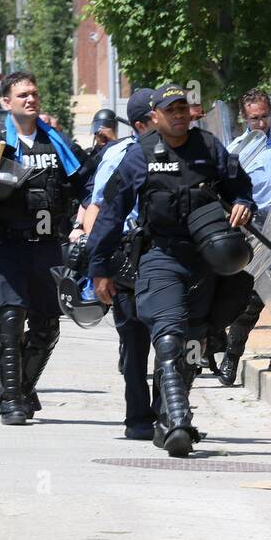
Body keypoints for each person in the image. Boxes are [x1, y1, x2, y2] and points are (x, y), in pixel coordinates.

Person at [88, 82, 256, 457]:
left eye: (184, 108)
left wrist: (243, 202)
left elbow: (240, 186)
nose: (180, 115)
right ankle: (180, 420)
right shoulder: (139, 155)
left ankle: (166, 419)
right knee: (168, 335)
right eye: (171, 110)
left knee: (193, 341)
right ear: (155, 117)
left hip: (206, 259)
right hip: (160, 256)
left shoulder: (210, 147)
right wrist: (99, 268)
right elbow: (111, 213)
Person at [0, 71, 94, 426]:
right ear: (7, 103)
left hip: (46, 249)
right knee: (10, 321)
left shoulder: (57, 144)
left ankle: (22, 387)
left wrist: (84, 219)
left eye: (34, 94)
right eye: (22, 95)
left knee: (46, 327)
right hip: (4, 247)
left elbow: (89, 184)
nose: (30, 99)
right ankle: (11, 400)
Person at [78, 88, 158, 440]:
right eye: (157, 116)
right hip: (128, 257)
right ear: (141, 124)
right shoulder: (120, 156)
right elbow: (100, 211)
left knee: (172, 340)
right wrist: (100, 269)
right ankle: (138, 418)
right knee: (135, 346)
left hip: (167, 256)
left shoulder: (185, 150)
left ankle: (170, 412)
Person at [215, 89, 271, 385]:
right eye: (254, 118)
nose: (261, 123)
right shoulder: (238, 150)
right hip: (256, 225)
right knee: (253, 295)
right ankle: (231, 354)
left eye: (265, 116)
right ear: (244, 117)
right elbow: (226, 191)